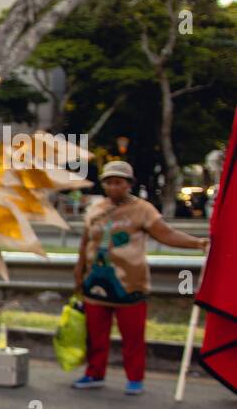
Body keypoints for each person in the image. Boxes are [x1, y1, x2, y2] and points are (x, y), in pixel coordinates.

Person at [72, 160, 208, 394]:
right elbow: (85, 244)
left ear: (129, 184)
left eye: (119, 182)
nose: (114, 187)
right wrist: (79, 274)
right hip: (95, 283)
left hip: (130, 283)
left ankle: (135, 378)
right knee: (95, 335)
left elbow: (166, 234)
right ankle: (94, 373)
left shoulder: (143, 209)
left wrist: (197, 243)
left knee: (133, 337)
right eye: (109, 182)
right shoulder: (95, 209)